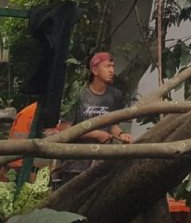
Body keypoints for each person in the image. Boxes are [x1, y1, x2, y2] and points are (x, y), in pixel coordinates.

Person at [53, 52, 133, 185]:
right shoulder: (78, 95)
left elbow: (113, 125)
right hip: (76, 165)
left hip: (102, 163)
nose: (112, 70)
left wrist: (122, 134)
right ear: (95, 70)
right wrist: (95, 134)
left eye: (113, 66)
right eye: (107, 66)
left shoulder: (115, 95)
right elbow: (64, 130)